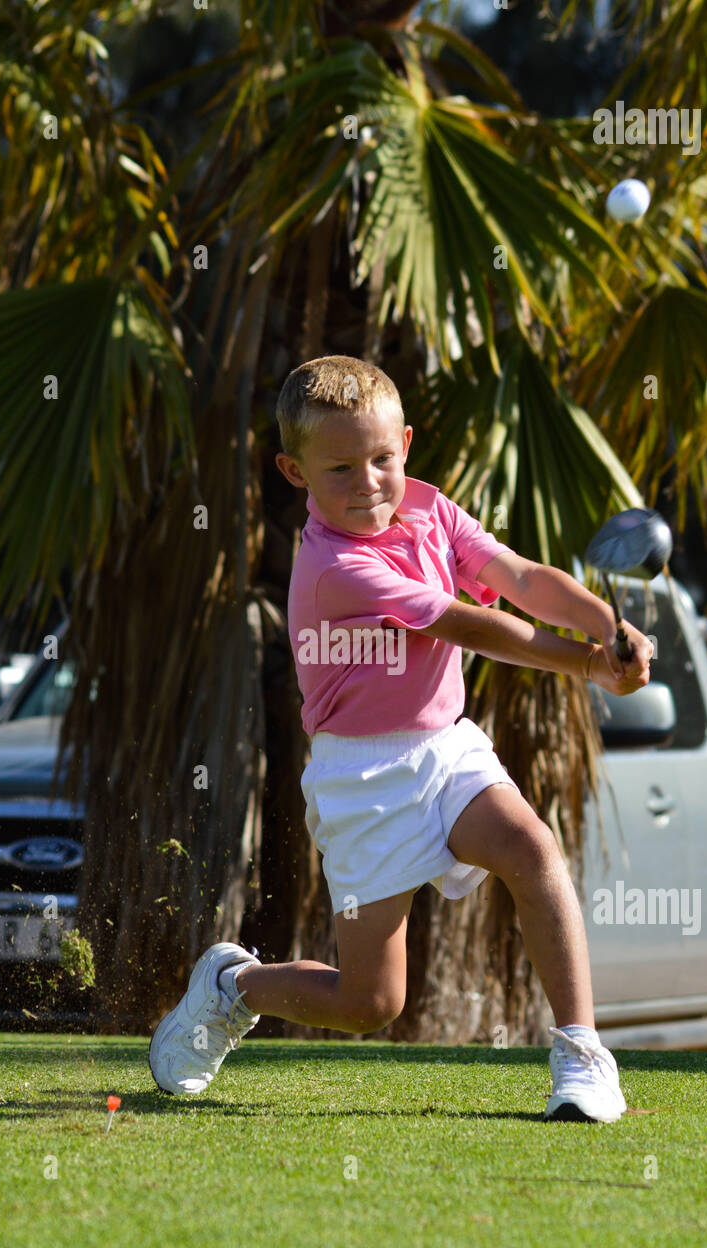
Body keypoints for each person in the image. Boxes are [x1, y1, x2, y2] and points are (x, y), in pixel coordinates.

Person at [150, 355, 653, 1121]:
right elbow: (476, 624)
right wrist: (589, 665)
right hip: (363, 780)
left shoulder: (430, 510)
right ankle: (233, 985)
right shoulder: (334, 568)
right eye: (341, 467)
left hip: (445, 747)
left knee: (531, 848)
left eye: (382, 459)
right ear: (294, 470)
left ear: (407, 445)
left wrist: (606, 626)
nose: (368, 483)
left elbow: (517, 577)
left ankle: (581, 1054)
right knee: (370, 1003)